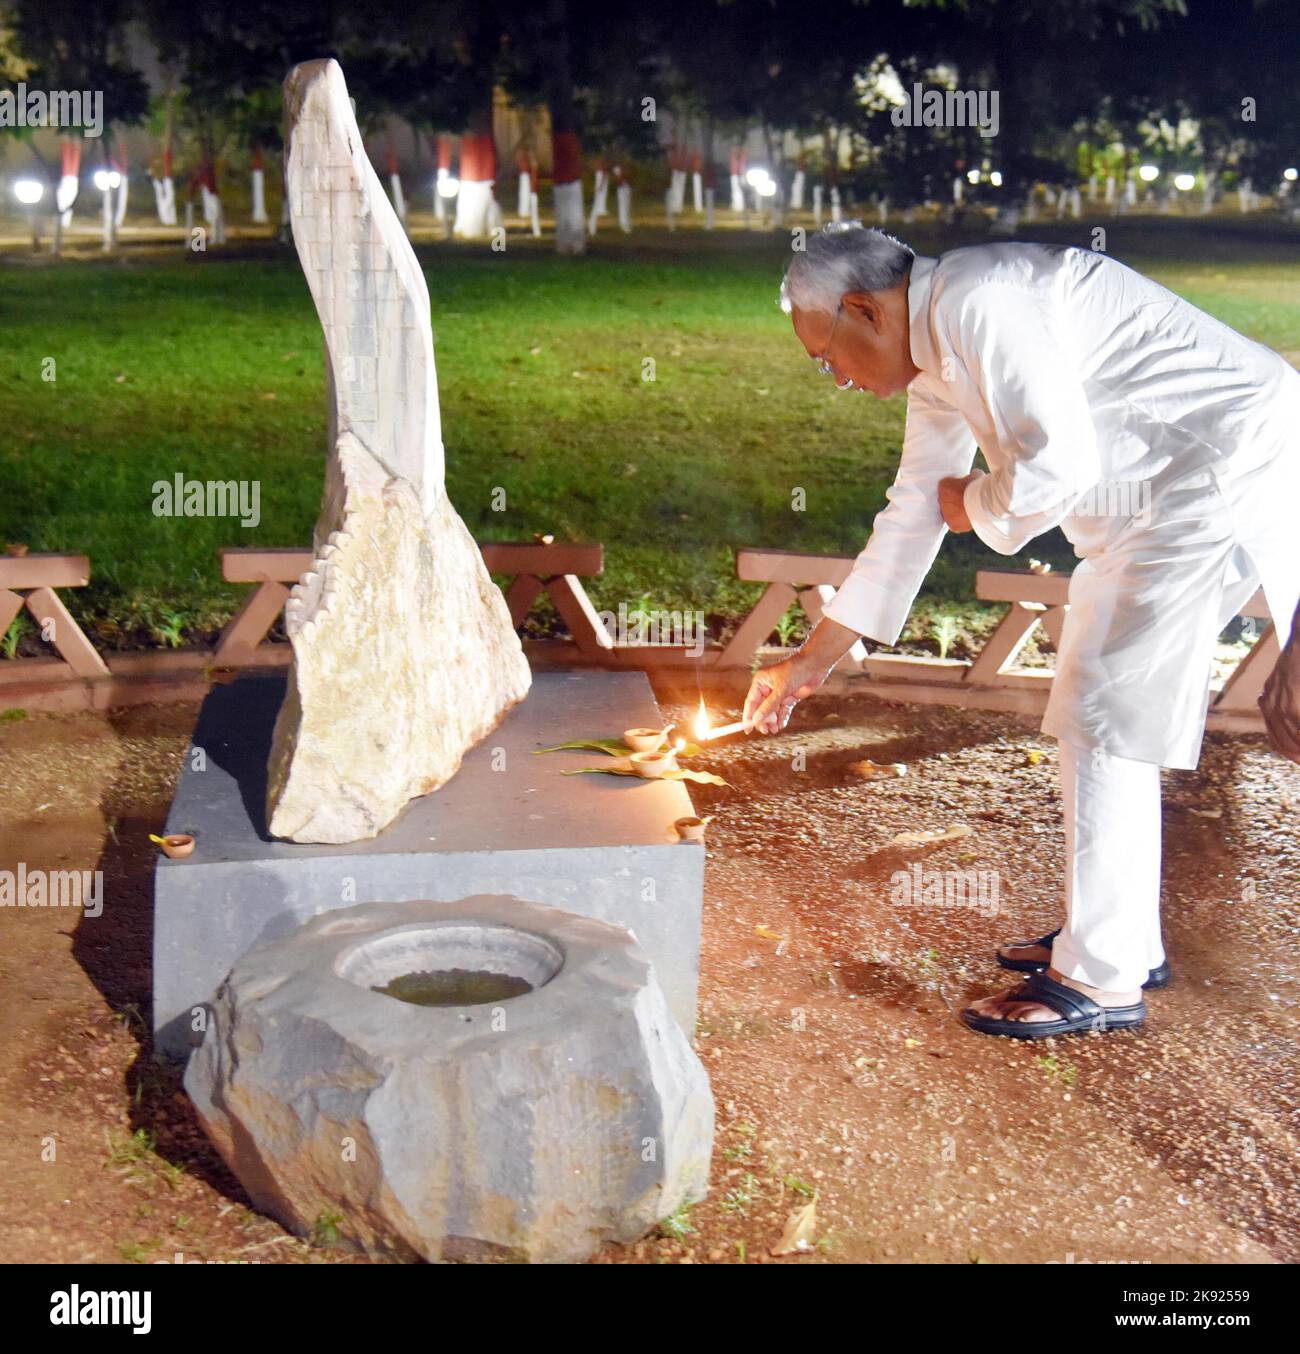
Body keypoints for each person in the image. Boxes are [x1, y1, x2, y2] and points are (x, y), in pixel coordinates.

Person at [744, 223, 1299, 1040]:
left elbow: (1057, 464)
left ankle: (1102, 979)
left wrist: (977, 507)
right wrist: (811, 660)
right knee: (1099, 704)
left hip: (1215, 466)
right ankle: (1117, 944)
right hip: (1160, 493)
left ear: (864, 309)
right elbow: (912, 509)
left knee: (1104, 709)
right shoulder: (937, 349)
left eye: (824, 355)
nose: (835, 379)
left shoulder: (983, 300)